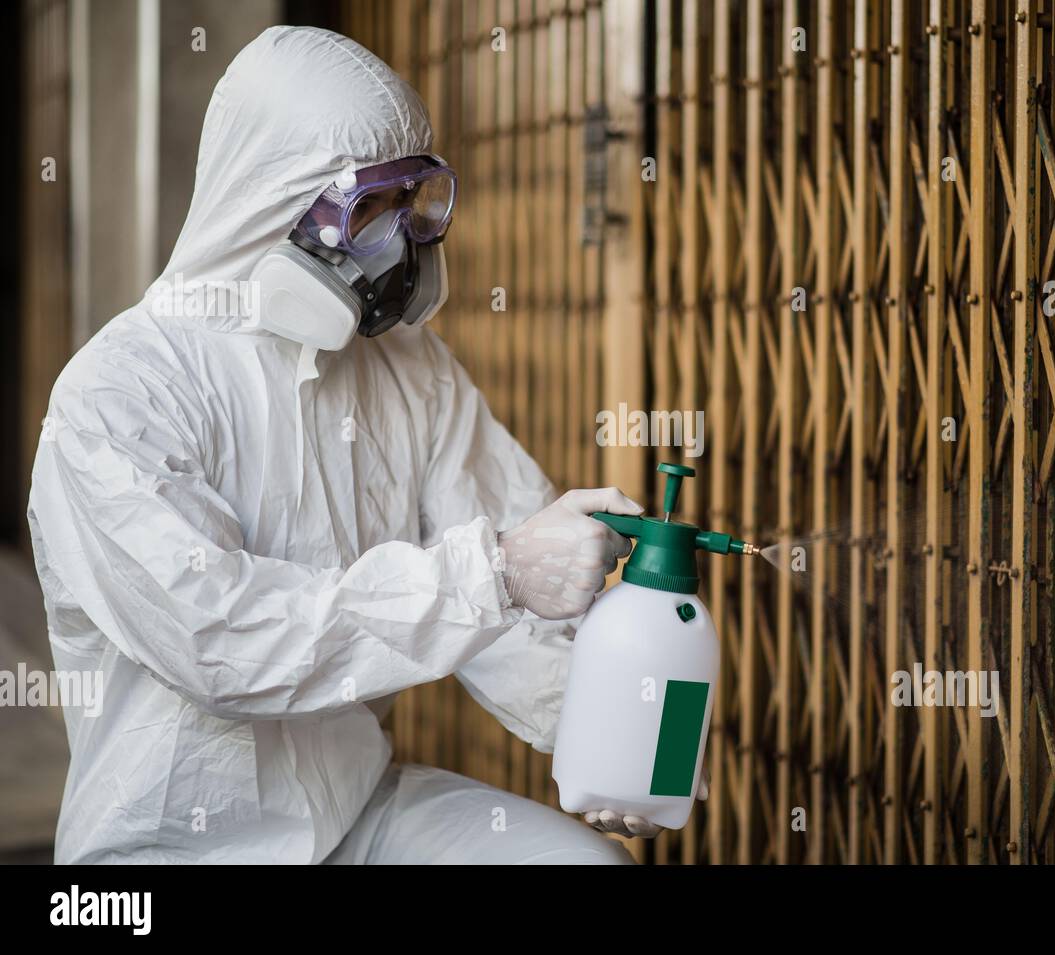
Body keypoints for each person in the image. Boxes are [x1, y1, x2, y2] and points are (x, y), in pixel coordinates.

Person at [27, 26, 688, 864]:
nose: (401, 245)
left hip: (360, 813)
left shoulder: (406, 367)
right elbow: (225, 643)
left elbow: (515, 588)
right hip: (168, 848)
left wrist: (603, 738)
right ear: (271, 204)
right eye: (370, 212)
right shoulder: (118, 396)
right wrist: (494, 571)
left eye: (413, 206)